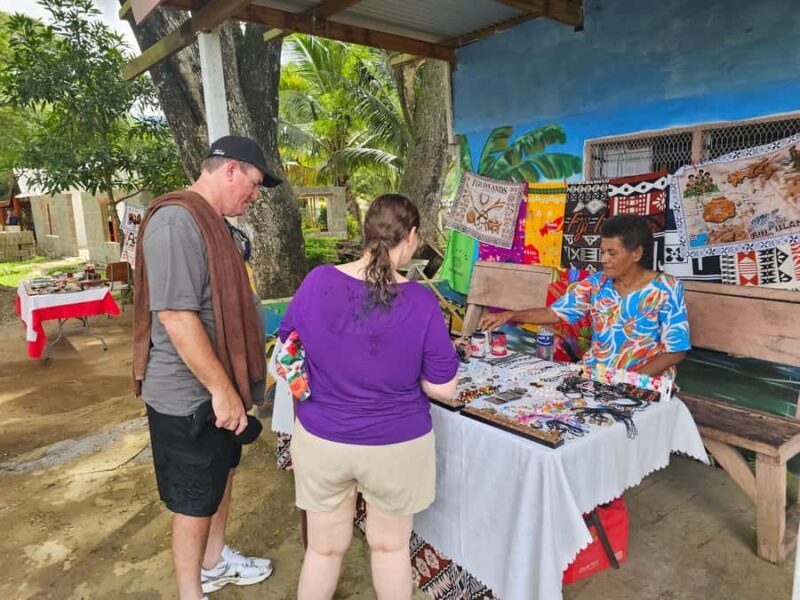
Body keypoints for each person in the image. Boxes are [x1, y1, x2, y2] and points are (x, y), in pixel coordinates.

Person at [279, 194, 459, 600]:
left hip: (322, 438)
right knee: (391, 548)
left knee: (322, 551)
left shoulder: (318, 281)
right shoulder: (421, 300)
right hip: (396, 445)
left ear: (366, 232)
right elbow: (442, 388)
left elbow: (289, 345)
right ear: (411, 237)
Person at [133, 135, 282, 600]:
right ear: (230, 169)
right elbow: (176, 316)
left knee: (222, 475)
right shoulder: (178, 221)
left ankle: (214, 562)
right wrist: (221, 390)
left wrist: (234, 386)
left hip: (221, 387)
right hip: (189, 395)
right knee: (194, 500)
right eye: (254, 184)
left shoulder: (215, 224)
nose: (254, 196)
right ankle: (189, 592)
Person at [480, 214, 690, 377]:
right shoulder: (596, 283)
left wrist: (627, 379)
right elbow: (554, 313)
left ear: (636, 253)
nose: (604, 259)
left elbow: (676, 351)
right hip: (595, 376)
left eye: (612, 253)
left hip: (642, 382)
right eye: (603, 252)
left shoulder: (667, 288)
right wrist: (509, 315)